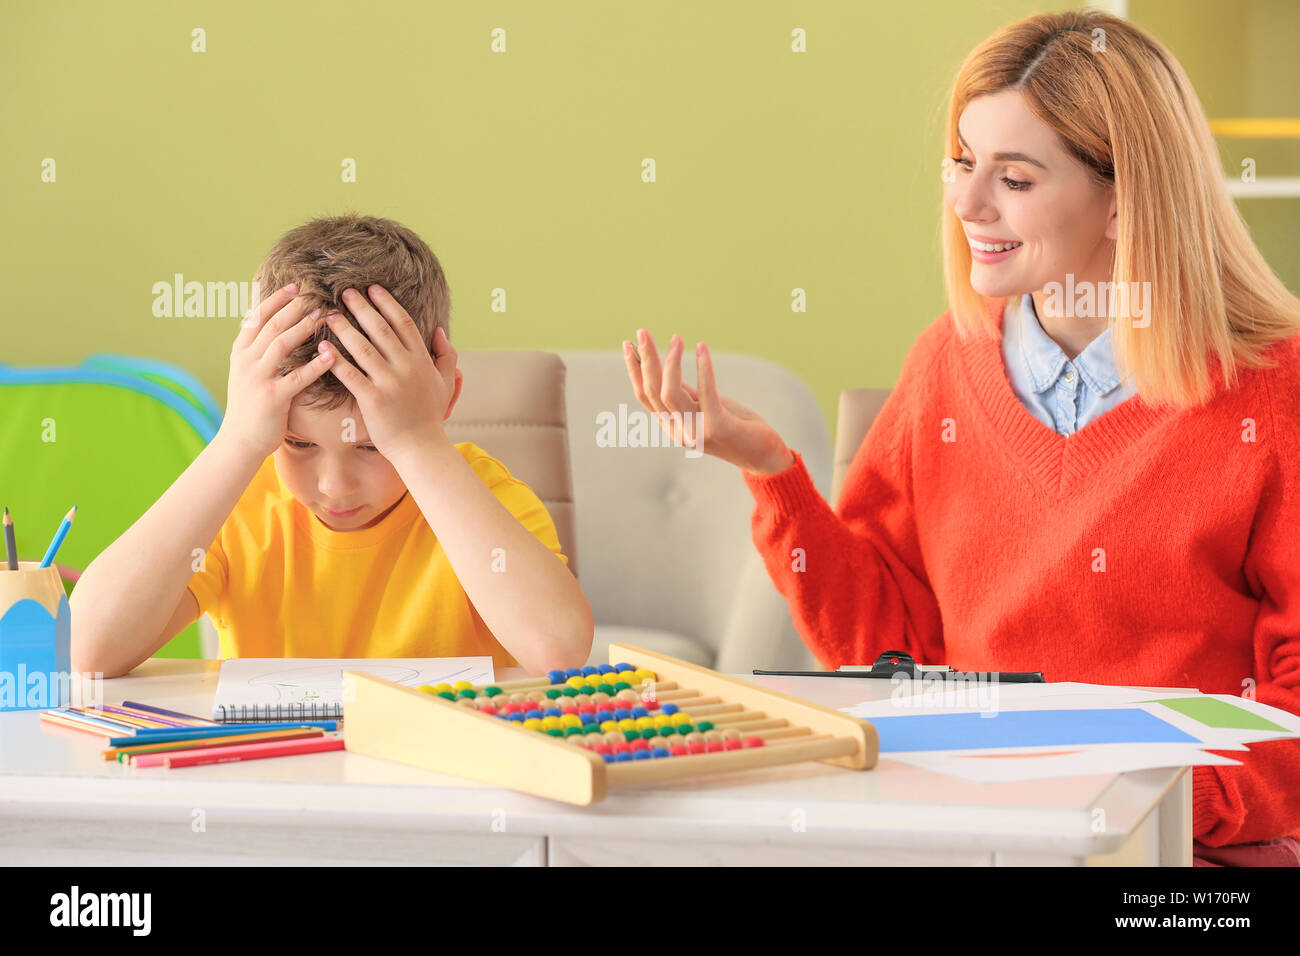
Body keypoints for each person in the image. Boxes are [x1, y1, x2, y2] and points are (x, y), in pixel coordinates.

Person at [623, 10, 1300, 861]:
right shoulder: (948, 361)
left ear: (1127, 202)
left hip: (1192, 849)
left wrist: (1162, 804)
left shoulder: (1272, 390)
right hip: (984, 830)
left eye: (1014, 179)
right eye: (962, 164)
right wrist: (770, 473)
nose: (967, 203)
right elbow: (886, 646)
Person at [72, 213, 592, 677]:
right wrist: (235, 439)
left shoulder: (483, 499)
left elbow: (559, 651)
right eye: (297, 443)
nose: (334, 486)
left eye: (372, 447)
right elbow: (89, 649)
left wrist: (418, 444)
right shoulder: (243, 504)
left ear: (445, 395)